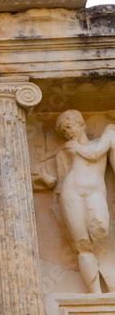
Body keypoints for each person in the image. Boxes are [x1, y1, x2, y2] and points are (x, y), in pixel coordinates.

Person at [40, 110, 115, 293]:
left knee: (100, 232)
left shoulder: (101, 141)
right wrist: (45, 177)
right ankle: (95, 294)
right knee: (82, 244)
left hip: (94, 192)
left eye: (69, 127)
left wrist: (109, 130)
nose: (68, 133)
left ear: (81, 123)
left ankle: (112, 287)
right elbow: (59, 179)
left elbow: (95, 154)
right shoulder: (65, 151)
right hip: (71, 193)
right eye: (64, 132)